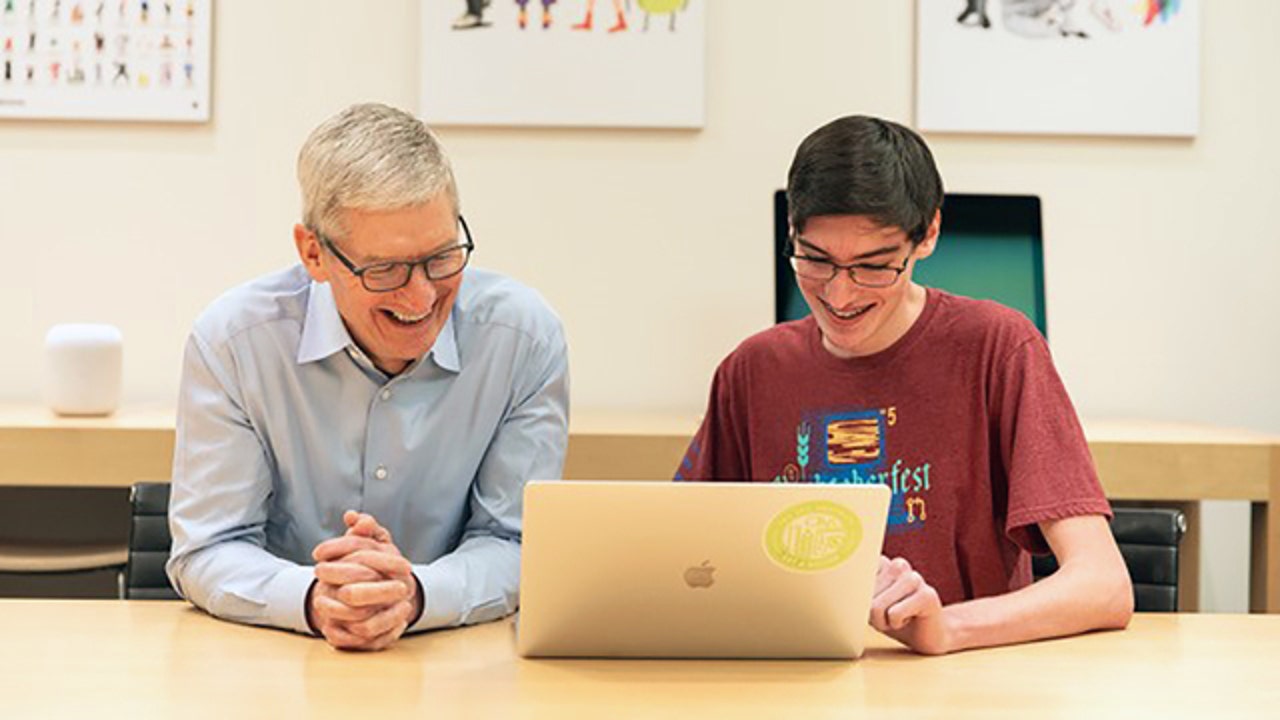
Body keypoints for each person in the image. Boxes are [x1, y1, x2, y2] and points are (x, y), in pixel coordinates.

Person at [676, 115, 1132, 655]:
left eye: (874, 266)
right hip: (793, 681)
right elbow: (684, 560)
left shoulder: (998, 349)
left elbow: (1103, 586)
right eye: (815, 260)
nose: (840, 296)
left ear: (928, 235)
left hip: (956, 686)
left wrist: (947, 629)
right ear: (791, 232)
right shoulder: (752, 369)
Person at [167, 102, 569, 651]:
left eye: (442, 258)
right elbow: (209, 547)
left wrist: (415, 595)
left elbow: (516, 542)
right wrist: (317, 598)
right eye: (386, 270)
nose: (421, 296)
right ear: (314, 253)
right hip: (278, 661)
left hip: (457, 663)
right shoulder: (235, 344)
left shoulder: (522, 339)